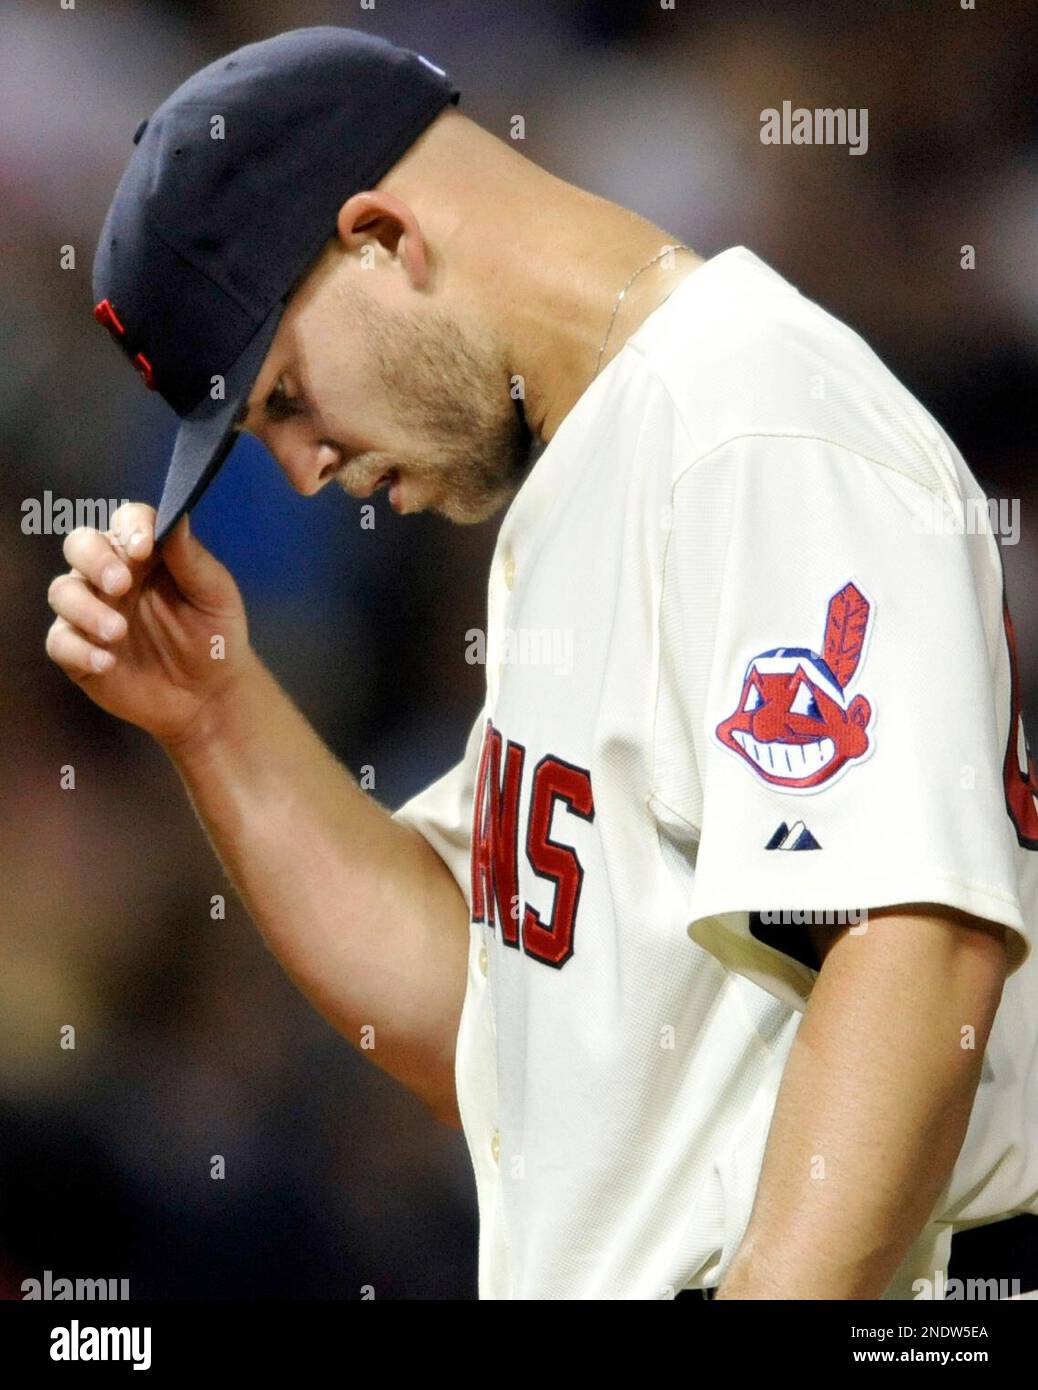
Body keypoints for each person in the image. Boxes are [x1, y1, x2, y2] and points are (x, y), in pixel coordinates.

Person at [46, 27, 1038, 1299]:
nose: (302, 468)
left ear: (384, 238)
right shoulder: (594, 468)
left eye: (283, 396)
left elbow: (910, 946)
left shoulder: (752, 420)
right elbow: (490, 1019)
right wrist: (215, 715)